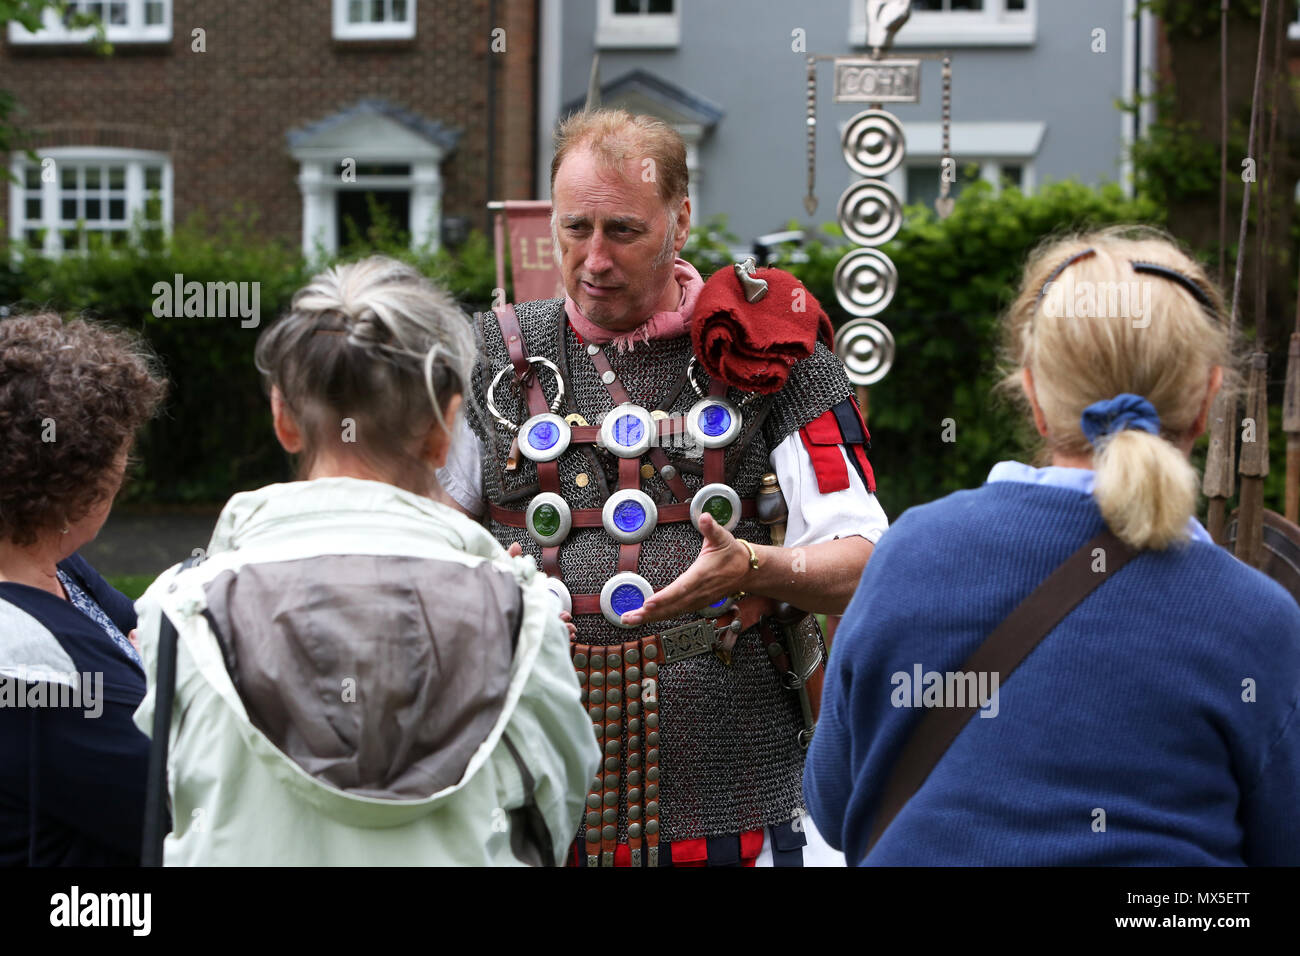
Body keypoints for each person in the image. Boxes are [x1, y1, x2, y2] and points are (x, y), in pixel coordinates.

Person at [439, 109, 888, 866]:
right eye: (575, 228)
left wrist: (759, 568)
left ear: (680, 220)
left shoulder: (772, 352)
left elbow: (868, 558)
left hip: (731, 770)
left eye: (623, 231)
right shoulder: (487, 355)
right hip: (525, 781)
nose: (593, 260)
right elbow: (423, 540)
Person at [805, 226, 1300, 865]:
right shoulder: (1256, 619)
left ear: (1034, 395)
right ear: (1208, 400)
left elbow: (836, 802)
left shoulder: (911, 553)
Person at [132, 256, 600, 865]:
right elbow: (556, 815)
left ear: (283, 418)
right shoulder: (522, 617)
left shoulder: (180, 615)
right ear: (445, 430)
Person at [0, 313, 168, 865]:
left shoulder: (45, 557)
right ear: (89, 490)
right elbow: (177, 808)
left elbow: (129, 619)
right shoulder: (38, 673)